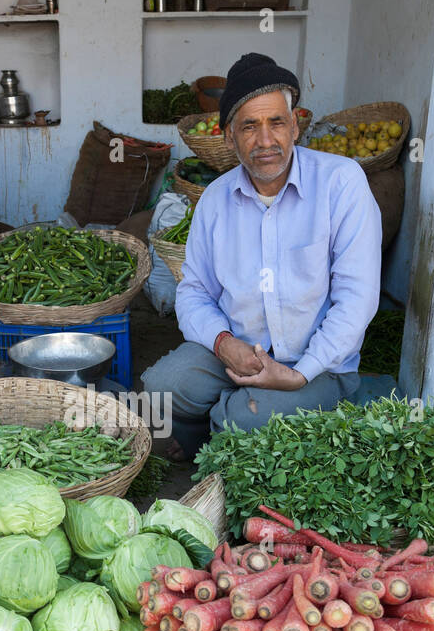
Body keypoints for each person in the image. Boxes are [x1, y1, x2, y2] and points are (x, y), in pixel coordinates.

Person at [142, 52, 382, 461]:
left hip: (316, 365)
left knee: (244, 418)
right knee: (159, 388)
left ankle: (224, 432)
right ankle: (216, 438)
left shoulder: (341, 183)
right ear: (228, 137)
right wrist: (223, 343)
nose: (266, 141)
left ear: (295, 126)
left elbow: (357, 299)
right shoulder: (216, 199)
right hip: (239, 351)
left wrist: (297, 373)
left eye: (276, 122)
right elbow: (195, 291)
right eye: (249, 126)